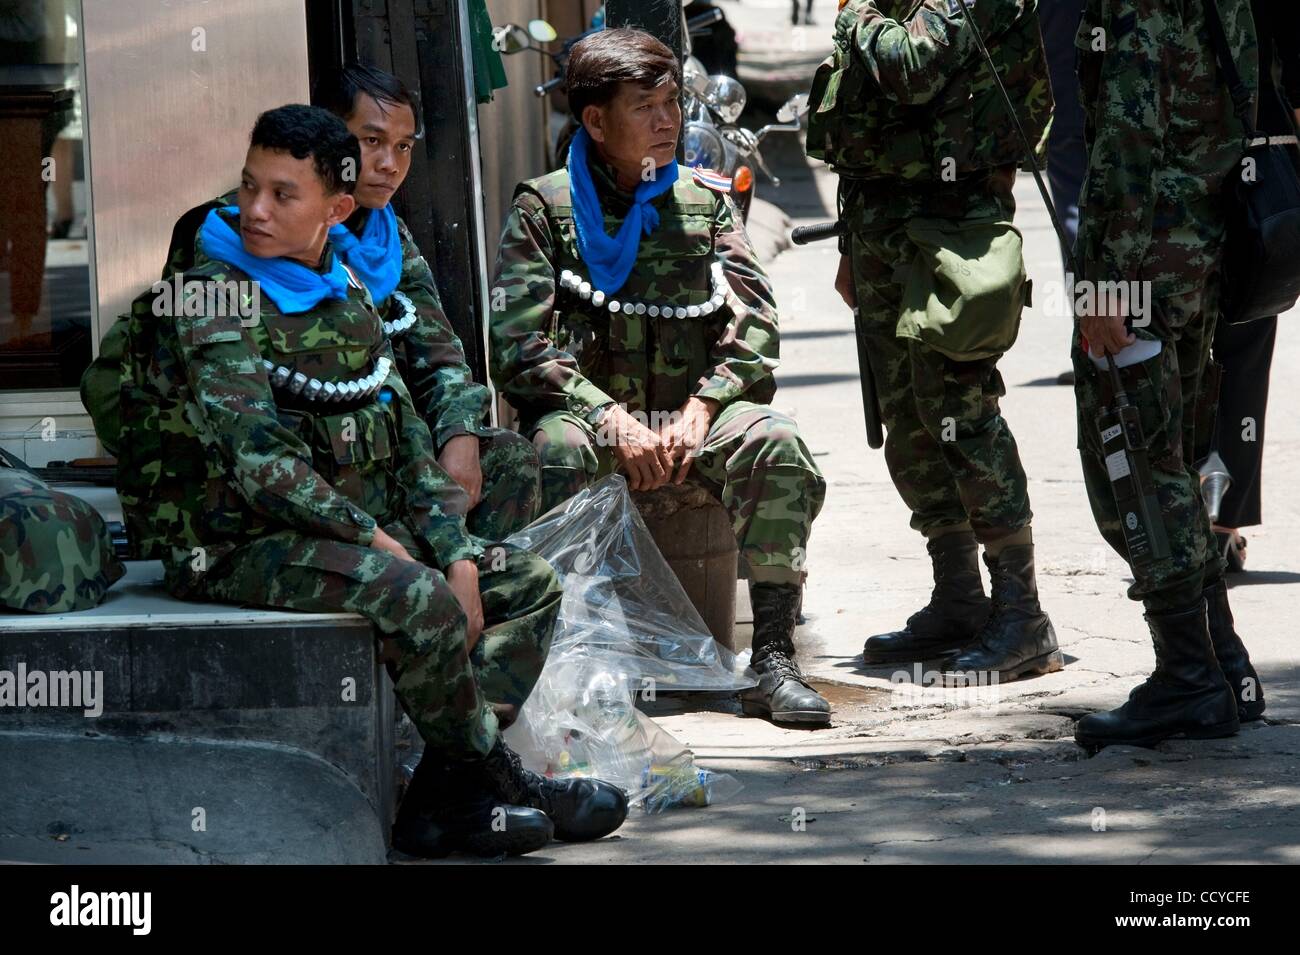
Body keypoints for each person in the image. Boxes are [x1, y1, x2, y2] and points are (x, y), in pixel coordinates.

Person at [84, 105, 625, 857]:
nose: (254, 211)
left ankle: (444, 795)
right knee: (417, 595)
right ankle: (497, 779)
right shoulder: (212, 293)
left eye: (282, 194)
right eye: (248, 186)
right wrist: (387, 545)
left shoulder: (341, 285)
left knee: (523, 581)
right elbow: (260, 463)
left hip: (332, 536)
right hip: (233, 540)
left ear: (336, 210)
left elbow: (407, 446)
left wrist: (460, 554)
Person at [490, 29, 831, 727]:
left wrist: (706, 407)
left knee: (777, 440)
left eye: (673, 102)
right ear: (595, 120)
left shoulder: (703, 205)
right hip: (594, 426)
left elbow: (756, 326)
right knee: (548, 452)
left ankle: (770, 656)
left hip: (686, 423)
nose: (669, 121)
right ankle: (564, 659)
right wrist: (607, 416)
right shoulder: (545, 210)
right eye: (646, 106)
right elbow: (517, 343)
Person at [157, 64, 540, 541]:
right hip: (287, 444)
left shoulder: (383, 234)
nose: (390, 164)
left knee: (506, 458)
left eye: (403, 146)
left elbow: (435, 348)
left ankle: (470, 578)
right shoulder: (246, 230)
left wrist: (459, 434)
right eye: (371, 141)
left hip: (377, 436)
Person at [808, 0, 1061, 685]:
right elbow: (863, 108)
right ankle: (958, 595)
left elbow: (911, 67)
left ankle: (1023, 613)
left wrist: (855, 15)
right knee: (911, 419)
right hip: (884, 223)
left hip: (954, 226)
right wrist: (848, 244)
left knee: (962, 411)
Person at [1069, 0, 1264, 751]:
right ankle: (1223, 663)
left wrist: (1104, 287)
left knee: (1139, 471)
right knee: (1174, 463)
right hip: (1201, 253)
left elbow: (1127, 143)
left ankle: (1187, 674)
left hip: (1145, 267)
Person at [1198, 0, 1299, 572]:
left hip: (1172, 164)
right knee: (1245, 344)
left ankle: (1184, 516)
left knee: (1175, 344)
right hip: (1258, 165)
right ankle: (1219, 523)